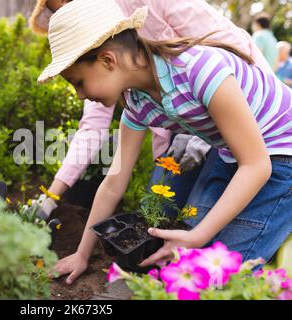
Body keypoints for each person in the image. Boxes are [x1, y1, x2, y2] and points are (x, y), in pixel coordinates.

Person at [38, 0, 292, 284]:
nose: (80, 95)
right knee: (181, 251)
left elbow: (257, 165)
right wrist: (81, 254)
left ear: (108, 61)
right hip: (230, 154)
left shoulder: (200, 70)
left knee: (213, 273)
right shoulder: (137, 103)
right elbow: (113, 183)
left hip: (281, 155)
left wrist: (198, 235)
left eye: (78, 82)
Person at [27, 0, 271, 222]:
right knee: (159, 215)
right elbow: (93, 125)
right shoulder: (103, 70)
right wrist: (50, 196)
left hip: (235, 104)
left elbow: (228, 47)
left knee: (208, 221)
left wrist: (206, 130)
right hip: (178, 125)